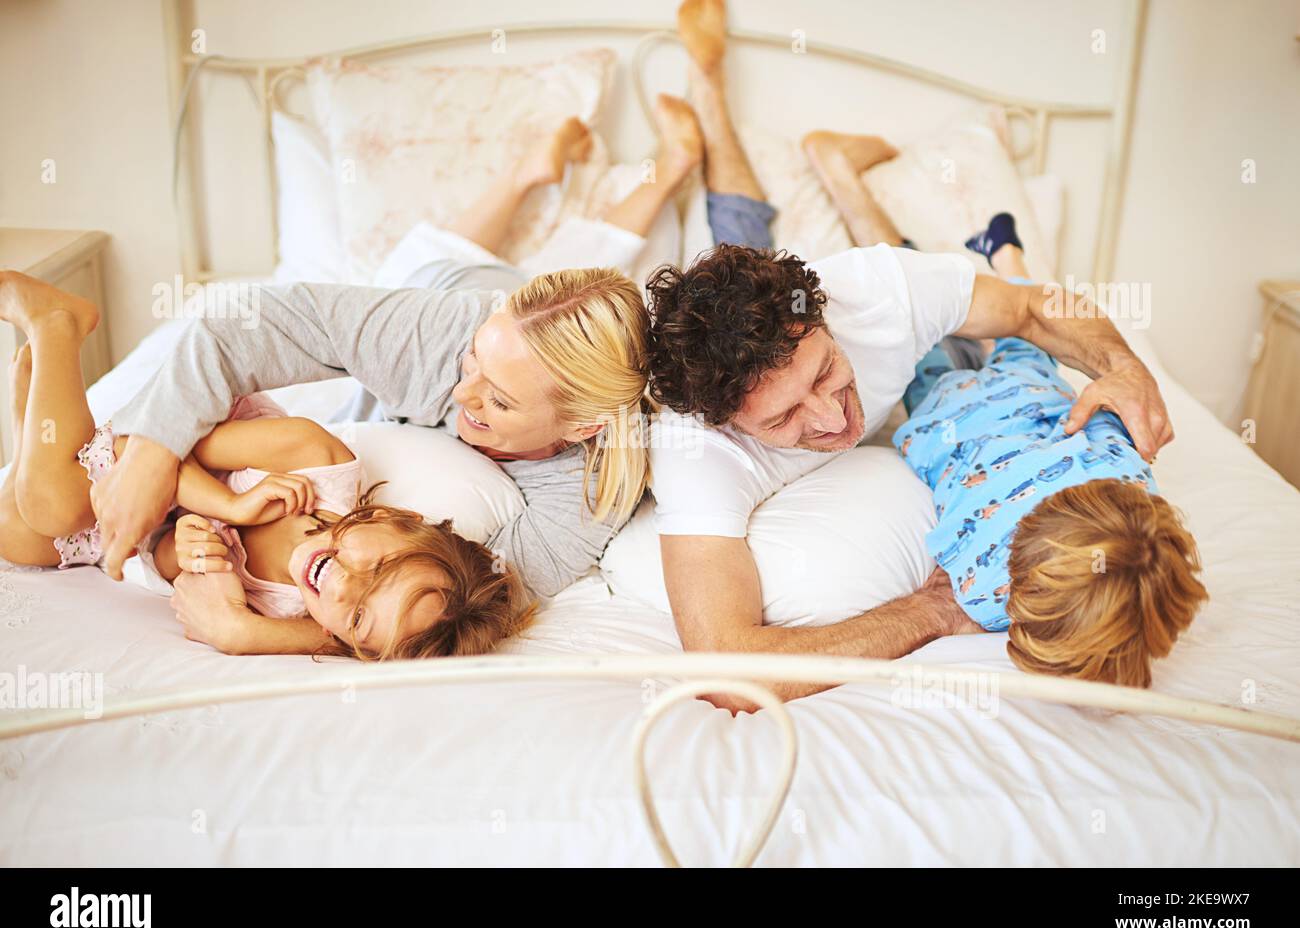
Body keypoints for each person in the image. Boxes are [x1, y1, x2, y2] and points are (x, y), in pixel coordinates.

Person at [643, 0, 1176, 710]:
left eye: (827, 372)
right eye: (782, 420)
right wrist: (927, 611)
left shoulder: (868, 290)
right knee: (732, 220)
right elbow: (727, 669)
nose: (833, 418)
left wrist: (1123, 366)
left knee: (917, 291)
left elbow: (1035, 304)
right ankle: (707, 98)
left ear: (825, 315)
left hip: (915, 338)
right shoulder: (694, 449)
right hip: (747, 351)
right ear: (725, 424)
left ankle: (837, 175)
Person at [76, 94, 710, 657]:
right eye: (474, 367)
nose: (462, 396)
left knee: (599, 281)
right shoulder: (449, 336)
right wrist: (153, 449)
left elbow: (463, 615)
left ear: (584, 426)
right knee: (435, 259)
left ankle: (673, 166)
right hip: (451, 287)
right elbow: (243, 321)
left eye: (499, 400)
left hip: (537, 345)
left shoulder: (590, 491)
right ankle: (526, 175)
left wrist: (263, 635)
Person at [0, 277, 533, 659]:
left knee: (15, 537)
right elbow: (173, 452)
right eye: (378, 570)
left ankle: (34, 430)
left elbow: (160, 559)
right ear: (393, 522)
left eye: (358, 618)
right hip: (160, 449)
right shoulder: (316, 463)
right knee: (55, 504)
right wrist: (227, 506)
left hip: (148, 522)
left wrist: (186, 550)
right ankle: (57, 325)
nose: (346, 589)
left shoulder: (289, 609)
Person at [894, 213, 1207, 686]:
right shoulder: (981, 590)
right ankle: (927, 270)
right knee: (924, 363)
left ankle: (1002, 254)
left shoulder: (1133, 483)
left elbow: (1102, 423)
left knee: (1025, 338)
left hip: (1025, 396)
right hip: (948, 417)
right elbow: (948, 567)